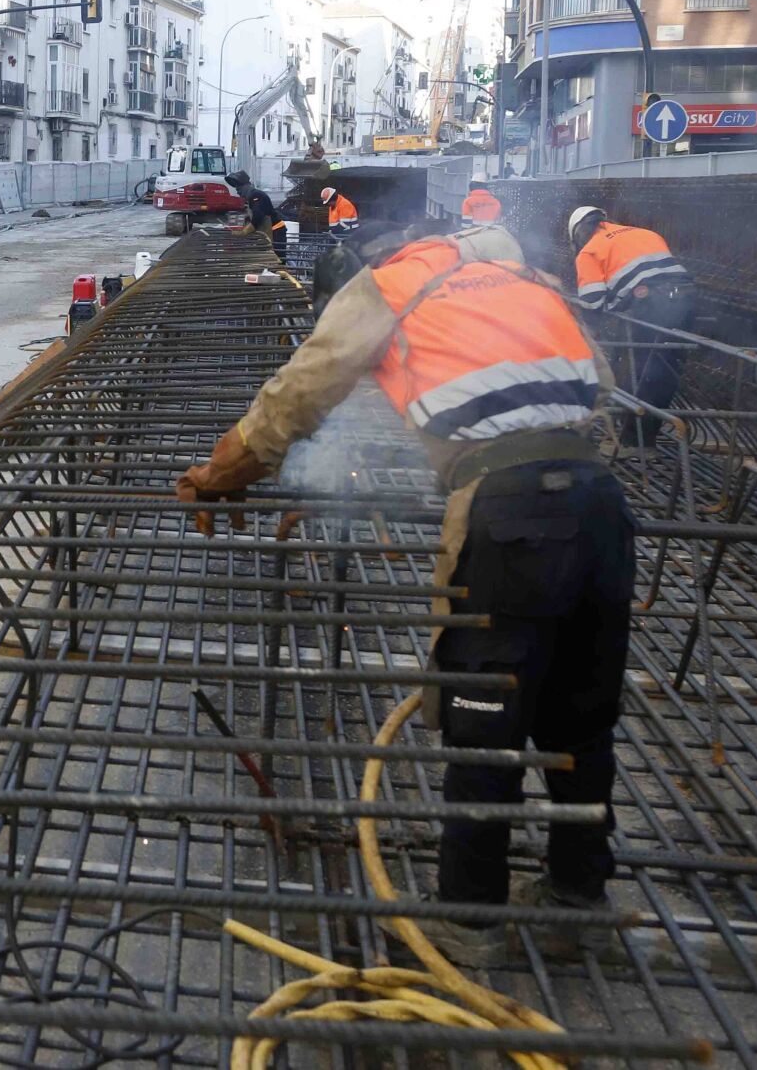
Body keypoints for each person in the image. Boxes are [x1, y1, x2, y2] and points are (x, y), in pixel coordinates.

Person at [176, 221, 631, 966]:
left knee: (484, 709)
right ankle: (578, 896)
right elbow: (586, 389)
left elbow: (292, 399)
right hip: (602, 503)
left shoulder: (386, 287)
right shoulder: (522, 280)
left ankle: (465, 920)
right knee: (581, 713)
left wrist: (216, 474)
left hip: (509, 517)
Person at [568, 206, 694, 447]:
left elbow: (592, 302)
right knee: (665, 374)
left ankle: (629, 443)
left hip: (651, 306)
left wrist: (589, 338)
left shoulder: (590, 251)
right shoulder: (646, 233)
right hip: (687, 300)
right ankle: (643, 440)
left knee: (640, 372)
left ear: (578, 233)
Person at [226, 171, 289, 262]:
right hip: (268, 231)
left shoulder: (256, 195)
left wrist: (244, 232)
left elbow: (258, 217)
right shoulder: (251, 198)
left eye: (239, 187)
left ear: (246, 185)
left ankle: (281, 275)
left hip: (276, 231)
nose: (237, 190)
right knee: (268, 258)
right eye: (236, 188)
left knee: (277, 259)